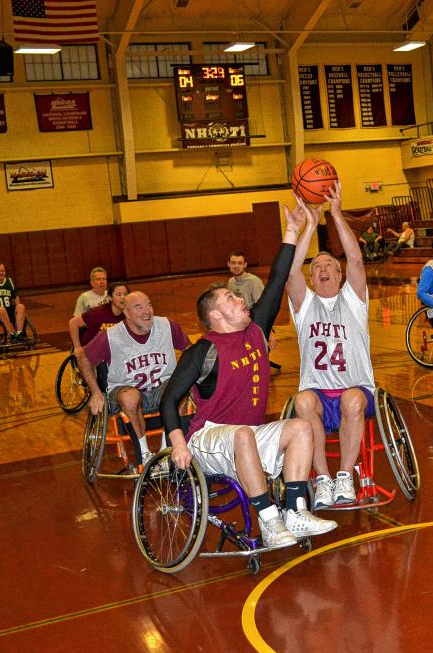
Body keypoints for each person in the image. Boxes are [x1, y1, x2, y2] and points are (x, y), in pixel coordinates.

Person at [159, 202, 337, 548]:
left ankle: (295, 510)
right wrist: (177, 442)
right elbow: (169, 399)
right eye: (230, 297)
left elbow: (278, 278)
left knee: (300, 427)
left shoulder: (256, 330)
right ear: (215, 314)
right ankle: (269, 521)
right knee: (241, 434)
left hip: (248, 435)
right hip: (207, 440)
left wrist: (293, 229)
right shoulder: (202, 351)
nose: (239, 298)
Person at [286, 181, 376, 510]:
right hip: (320, 396)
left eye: (329, 266)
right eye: (317, 268)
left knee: (352, 399)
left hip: (356, 390)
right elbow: (291, 270)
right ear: (312, 279)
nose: (322, 269)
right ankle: (323, 478)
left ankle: (344, 475)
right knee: (303, 401)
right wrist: (308, 225)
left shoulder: (353, 301)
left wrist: (335, 214)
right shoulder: (305, 305)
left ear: (339, 276)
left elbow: (355, 257)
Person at [76, 291, 191, 466]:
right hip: (125, 390)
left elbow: (189, 350)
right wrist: (95, 392)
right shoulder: (111, 336)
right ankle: (144, 454)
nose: (147, 311)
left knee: (181, 388)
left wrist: (187, 377)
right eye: (139, 308)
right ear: (127, 313)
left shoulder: (168, 325)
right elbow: (84, 357)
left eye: (149, 305)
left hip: (162, 388)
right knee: (130, 396)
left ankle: (166, 449)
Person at [68, 281, 129, 354]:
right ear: (110, 298)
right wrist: (77, 347)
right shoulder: (97, 313)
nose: (123, 297)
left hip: (112, 349)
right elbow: (73, 322)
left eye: (125, 294)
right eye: (118, 294)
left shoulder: (130, 313)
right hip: (92, 349)